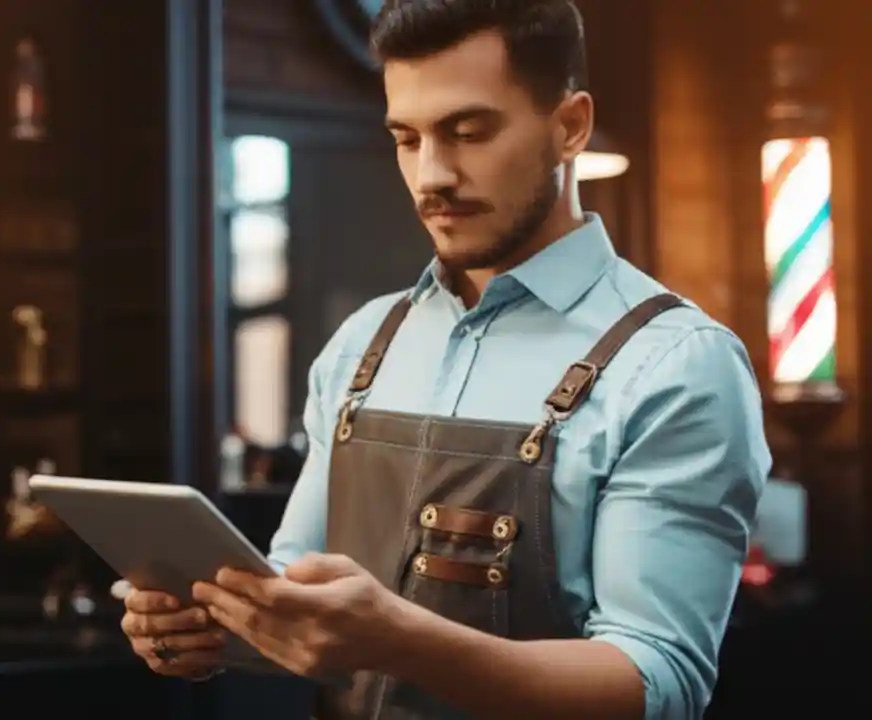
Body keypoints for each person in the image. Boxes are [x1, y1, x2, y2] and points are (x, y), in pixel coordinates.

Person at [119, 1, 771, 718]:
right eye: (407, 138)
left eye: (467, 132)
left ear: (569, 127)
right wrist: (209, 623)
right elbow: (295, 590)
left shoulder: (677, 366)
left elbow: (658, 682)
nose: (431, 176)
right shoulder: (363, 344)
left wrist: (402, 641)